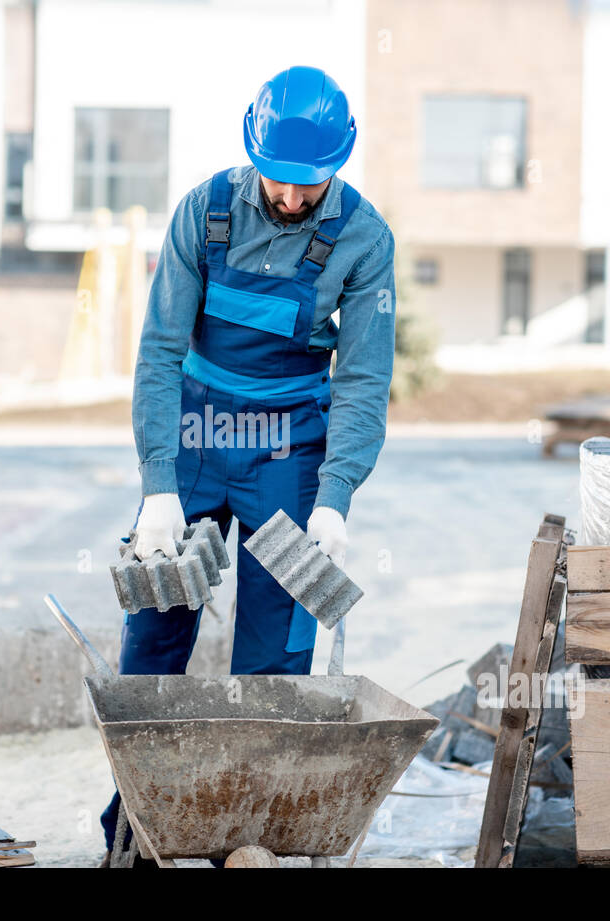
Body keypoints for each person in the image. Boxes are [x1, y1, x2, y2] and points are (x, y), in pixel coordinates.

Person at [101, 64, 396, 864]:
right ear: (252, 151)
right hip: (195, 437)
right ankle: (139, 833)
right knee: (155, 638)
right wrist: (159, 486)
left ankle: (248, 838)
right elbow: (160, 350)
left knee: (273, 659)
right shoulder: (205, 211)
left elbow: (364, 378)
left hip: (288, 450)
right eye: (282, 180)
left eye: (311, 184)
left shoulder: (364, 239)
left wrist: (333, 498)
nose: (294, 200)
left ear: (338, 162)